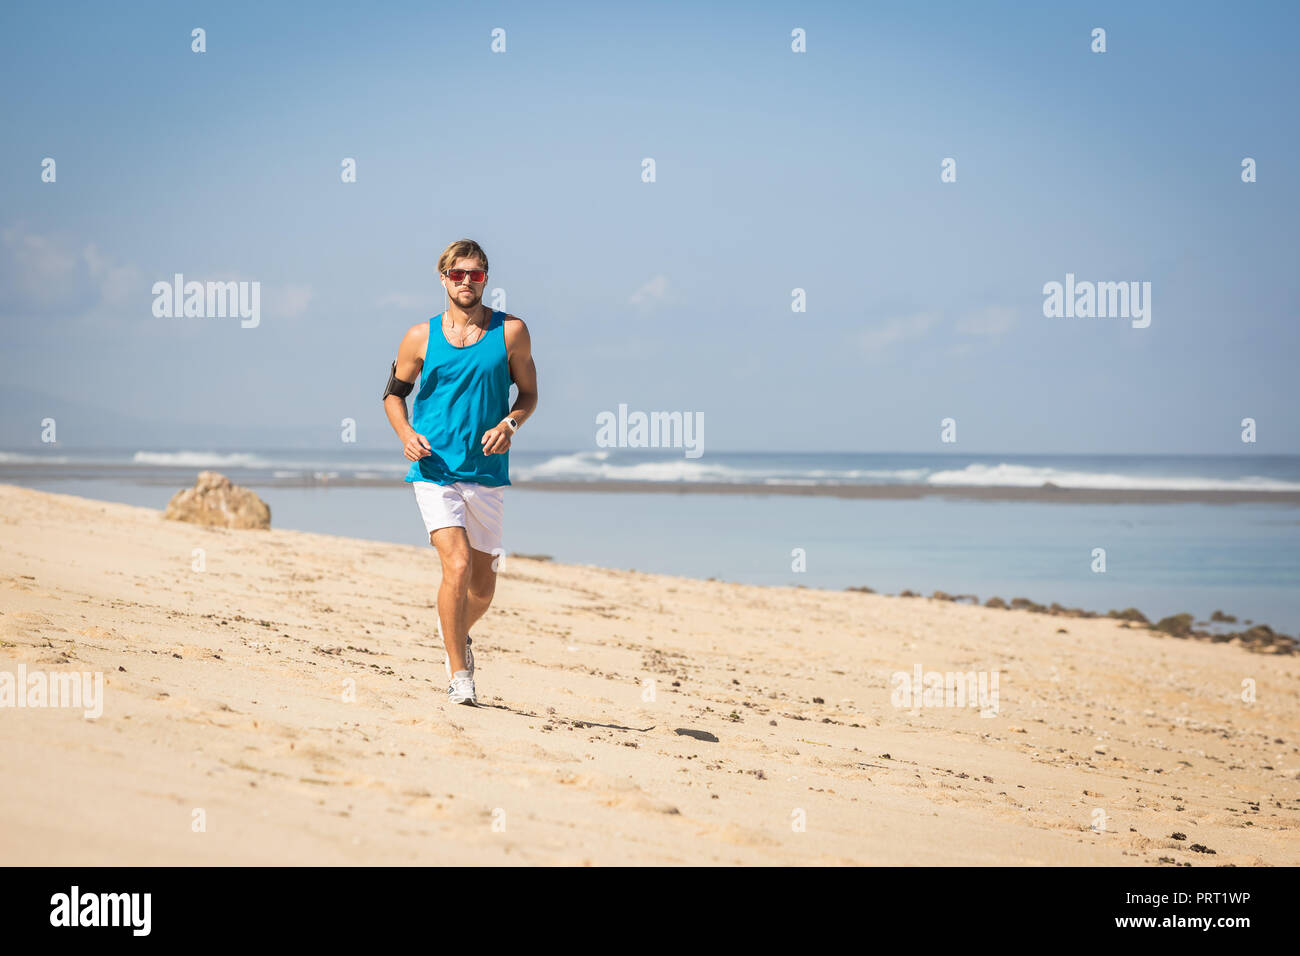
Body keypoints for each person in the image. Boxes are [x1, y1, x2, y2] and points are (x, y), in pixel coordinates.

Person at [382, 239, 538, 705]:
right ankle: (459, 675)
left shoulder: (511, 333)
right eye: (457, 274)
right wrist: (405, 434)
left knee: (483, 590)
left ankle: (456, 631)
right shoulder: (419, 337)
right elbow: (393, 395)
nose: (466, 282)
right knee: (457, 564)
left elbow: (528, 396)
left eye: (475, 274)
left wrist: (510, 423)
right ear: (443, 277)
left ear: (486, 278)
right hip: (434, 470)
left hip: (487, 473)